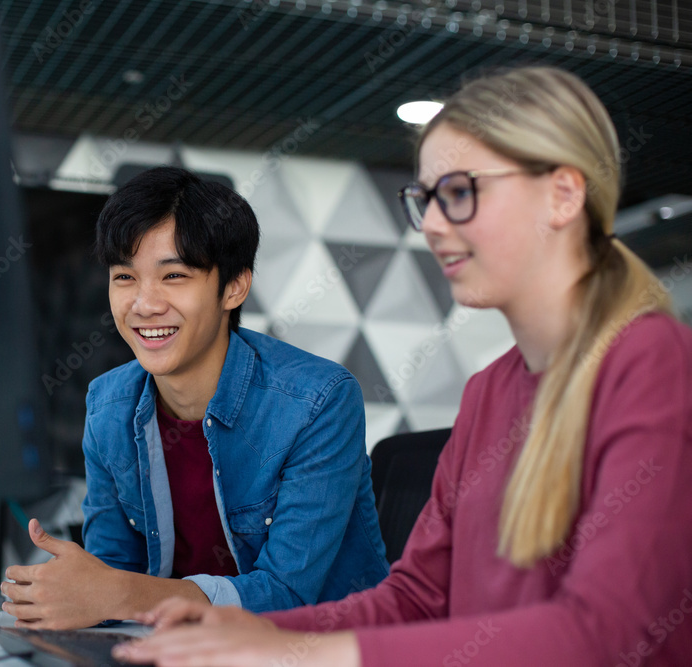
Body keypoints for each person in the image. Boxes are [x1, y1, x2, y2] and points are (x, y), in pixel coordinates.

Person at [112, 68, 692, 666]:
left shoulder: (655, 365)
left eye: (461, 192)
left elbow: (608, 636)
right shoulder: (489, 391)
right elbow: (418, 596)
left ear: (563, 196)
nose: (434, 224)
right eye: (426, 200)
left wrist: (306, 656)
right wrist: (251, 632)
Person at [1, 166, 389, 630]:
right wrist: (68, 593)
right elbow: (111, 570)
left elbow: (288, 596)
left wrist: (117, 593)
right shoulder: (108, 405)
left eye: (174, 276)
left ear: (234, 286)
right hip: (180, 650)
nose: (144, 304)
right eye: (124, 277)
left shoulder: (317, 401)